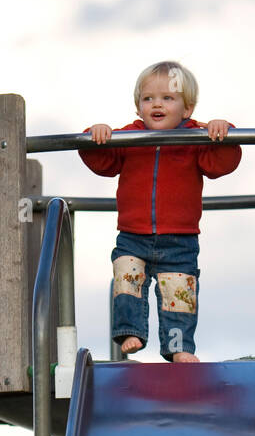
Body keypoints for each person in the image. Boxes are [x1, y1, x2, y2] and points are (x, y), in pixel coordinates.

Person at [78, 61, 241, 362]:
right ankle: (131, 332)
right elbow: (103, 162)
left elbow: (221, 164)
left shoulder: (194, 138)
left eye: (168, 98)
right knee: (126, 281)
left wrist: (223, 132)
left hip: (179, 240)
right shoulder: (131, 136)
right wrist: (95, 135)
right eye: (148, 98)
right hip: (132, 235)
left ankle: (179, 349)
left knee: (178, 298)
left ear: (187, 108)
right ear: (138, 107)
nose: (157, 104)